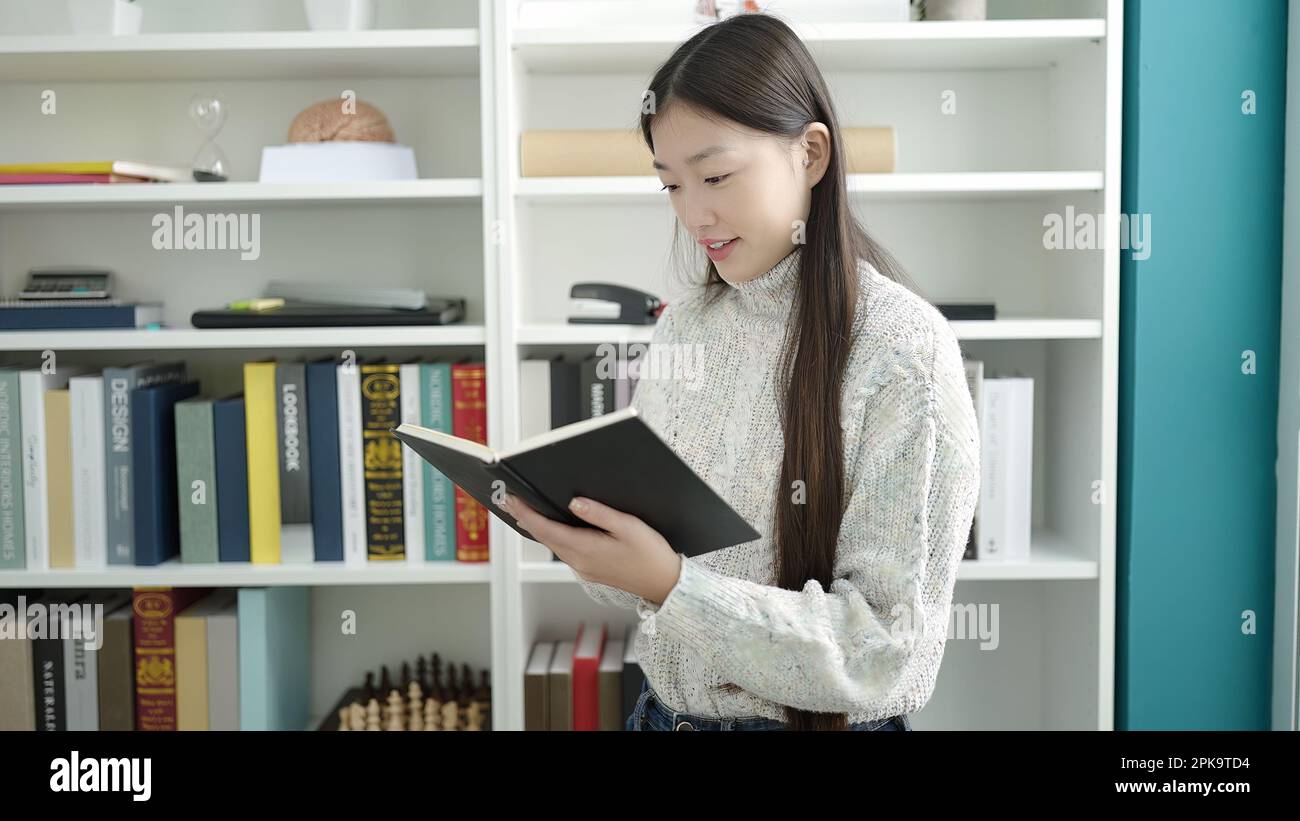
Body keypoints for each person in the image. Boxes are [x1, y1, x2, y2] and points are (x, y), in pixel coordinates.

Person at [496, 13, 980, 732]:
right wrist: (591, 545)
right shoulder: (688, 325)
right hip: (660, 716)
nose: (695, 213)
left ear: (811, 155)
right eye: (671, 186)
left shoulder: (903, 351)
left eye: (716, 175)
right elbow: (655, 573)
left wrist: (668, 583)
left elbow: (886, 655)